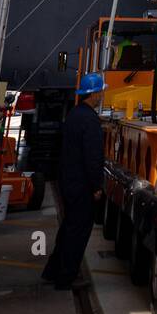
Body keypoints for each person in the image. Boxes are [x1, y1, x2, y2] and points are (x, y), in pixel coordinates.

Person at [42, 72, 105, 291]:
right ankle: (66, 278)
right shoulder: (90, 121)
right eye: (101, 91)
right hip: (82, 186)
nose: (102, 95)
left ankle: (52, 270)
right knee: (77, 232)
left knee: (68, 228)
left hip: (69, 182)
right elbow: (93, 158)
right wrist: (96, 186)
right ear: (95, 94)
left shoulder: (75, 115)